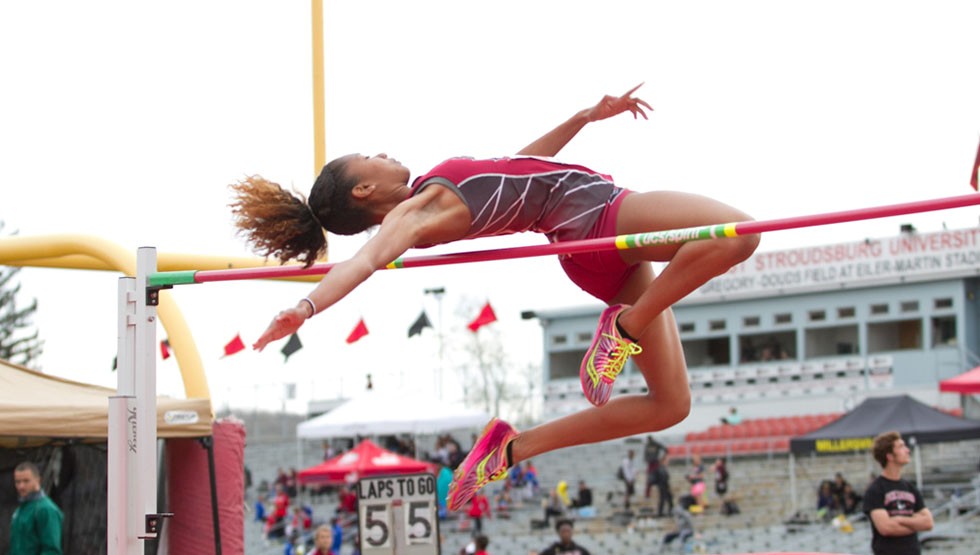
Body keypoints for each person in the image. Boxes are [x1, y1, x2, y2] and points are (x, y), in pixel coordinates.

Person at [235, 84, 759, 511]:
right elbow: (365, 261)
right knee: (739, 232)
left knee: (670, 405)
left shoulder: (431, 192)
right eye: (369, 158)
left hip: (589, 248)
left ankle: (510, 449)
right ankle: (626, 328)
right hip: (597, 217)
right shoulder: (415, 212)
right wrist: (306, 308)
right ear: (363, 191)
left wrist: (583, 117)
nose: (382, 154)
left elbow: (525, 165)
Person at [863, 431, 933, 555]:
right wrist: (915, 523)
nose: (907, 450)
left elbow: (928, 523)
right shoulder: (876, 490)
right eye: (901, 447)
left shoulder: (910, 488)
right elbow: (886, 528)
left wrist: (900, 519)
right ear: (889, 456)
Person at [10, 461, 63, 555]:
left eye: (26, 481)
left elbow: (51, 550)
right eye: (17, 482)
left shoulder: (46, 510)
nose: (21, 486)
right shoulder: (20, 510)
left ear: (38, 480)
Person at [643, 435, 667, 499]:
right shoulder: (647, 446)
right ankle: (647, 495)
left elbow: (665, 449)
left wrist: (662, 458)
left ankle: (661, 493)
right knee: (649, 480)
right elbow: (645, 456)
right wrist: (648, 460)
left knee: (659, 478)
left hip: (656, 463)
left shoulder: (656, 444)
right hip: (650, 464)